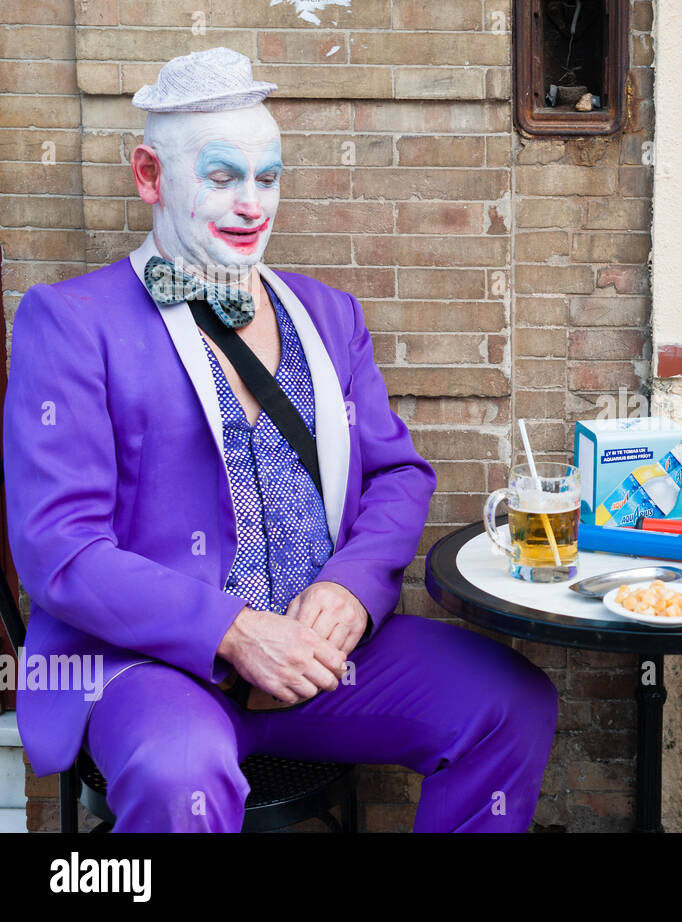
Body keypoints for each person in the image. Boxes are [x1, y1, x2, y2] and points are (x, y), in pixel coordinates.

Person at [4, 48, 558, 832]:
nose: (252, 204)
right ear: (150, 176)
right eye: (222, 176)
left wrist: (352, 588)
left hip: (327, 663)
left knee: (510, 705)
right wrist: (231, 630)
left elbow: (399, 474)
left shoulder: (329, 315)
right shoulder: (70, 324)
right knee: (177, 775)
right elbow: (58, 551)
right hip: (155, 673)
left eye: (268, 178)